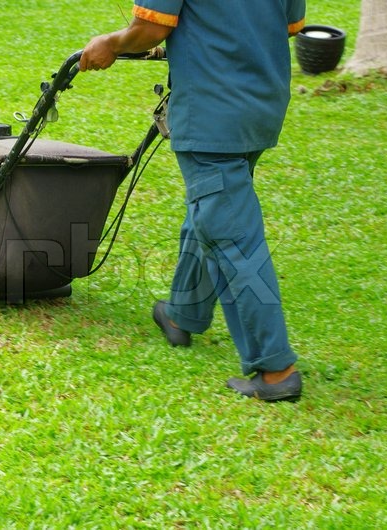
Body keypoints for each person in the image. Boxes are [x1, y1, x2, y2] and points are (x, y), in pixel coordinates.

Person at [80, 0, 306, 402]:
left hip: (213, 110)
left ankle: (275, 369)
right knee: (214, 212)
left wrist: (111, 43)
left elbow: (150, 30)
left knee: (231, 235)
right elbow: (286, 25)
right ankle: (182, 313)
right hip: (263, 104)